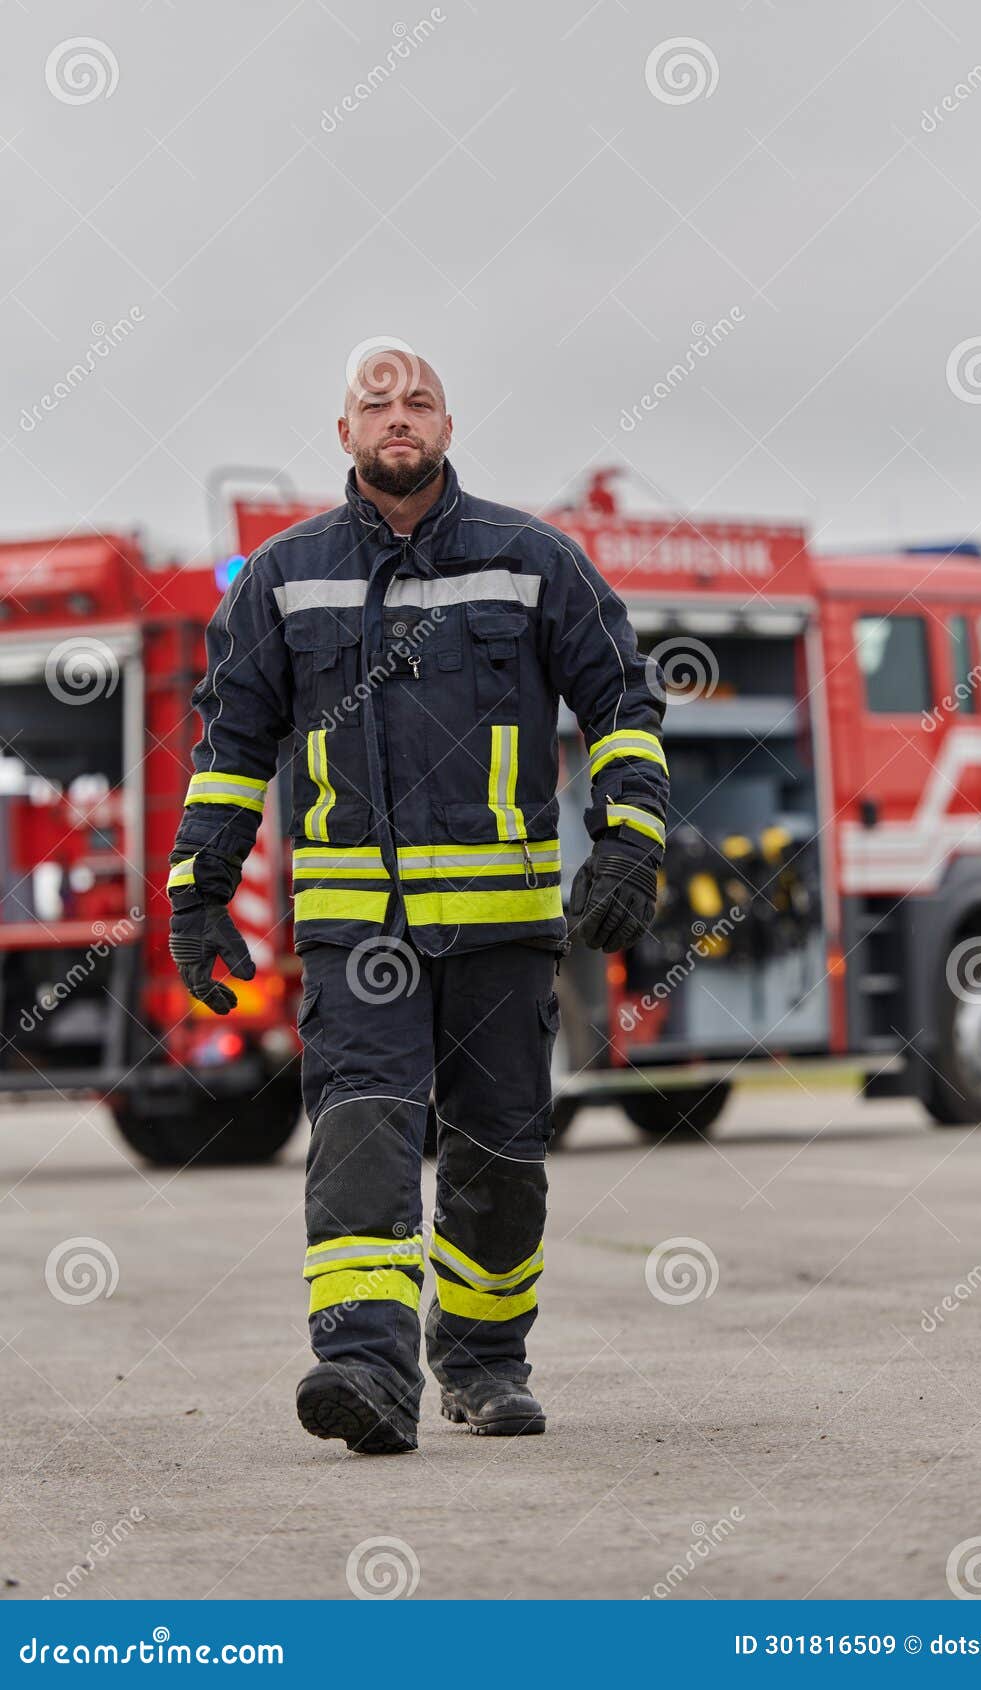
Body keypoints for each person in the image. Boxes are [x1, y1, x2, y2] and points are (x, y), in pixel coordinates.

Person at [167, 347, 669, 1453]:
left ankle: (484, 1362)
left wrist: (630, 841)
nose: (399, 417)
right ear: (341, 432)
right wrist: (196, 894)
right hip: (359, 934)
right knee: (360, 1131)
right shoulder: (281, 575)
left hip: (503, 927)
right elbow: (231, 748)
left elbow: (622, 701)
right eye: (376, 404)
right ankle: (364, 1370)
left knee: (498, 1156)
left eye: (419, 401)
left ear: (447, 423)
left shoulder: (534, 559)